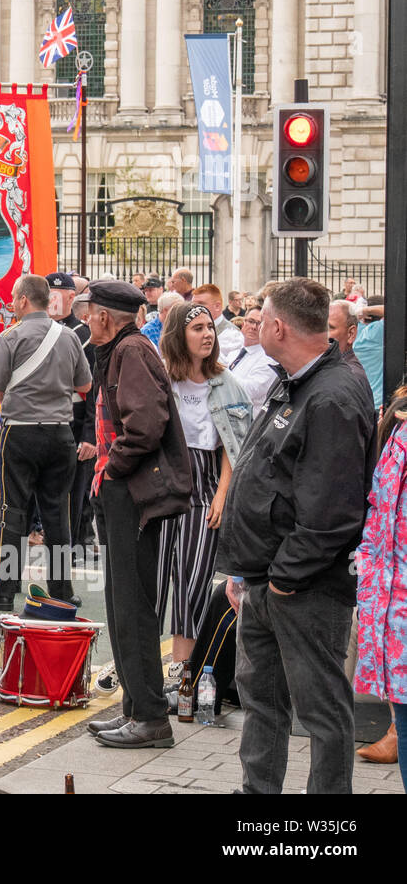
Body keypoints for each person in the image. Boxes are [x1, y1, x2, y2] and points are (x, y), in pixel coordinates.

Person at [218, 278, 376, 794]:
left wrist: (283, 580)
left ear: (278, 326)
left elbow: (332, 511)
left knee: (321, 711)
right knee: (261, 702)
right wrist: (246, 574)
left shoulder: (332, 394)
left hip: (304, 587)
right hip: (266, 582)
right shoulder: (298, 380)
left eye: (260, 318)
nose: (254, 325)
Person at [82, 280, 190, 749]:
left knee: (132, 607)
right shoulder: (124, 349)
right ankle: (134, 709)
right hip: (123, 490)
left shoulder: (131, 352)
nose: (86, 320)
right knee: (121, 604)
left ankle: (150, 718)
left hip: (132, 492)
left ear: (105, 316)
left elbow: (145, 426)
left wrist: (111, 470)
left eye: (90, 313)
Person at [0, 275, 91, 610]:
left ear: (23, 300)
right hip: (60, 432)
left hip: (20, 432)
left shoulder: (11, 336)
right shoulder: (68, 337)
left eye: (13, 297)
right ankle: (62, 591)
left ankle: (3, 590)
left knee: (13, 512)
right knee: (58, 513)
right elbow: (85, 384)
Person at [157, 301, 252, 684]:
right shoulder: (163, 378)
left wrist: (222, 494)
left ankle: (181, 677)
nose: (207, 334)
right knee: (153, 582)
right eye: (197, 328)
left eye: (209, 327)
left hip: (205, 486)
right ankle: (145, 677)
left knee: (193, 585)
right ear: (179, 335)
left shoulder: (227, 381)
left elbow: (234, 447)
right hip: (163, 485)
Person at [353, 386, 406, 776]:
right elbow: (378, 508)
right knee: (404, 722)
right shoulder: (398, 432)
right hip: (393, 612)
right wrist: (368, 583)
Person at [50, 273, 99, 552]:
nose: (54, 301)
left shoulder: (83, 336)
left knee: (71, 496)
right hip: (35, 424)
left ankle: (66, 560)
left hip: (73, 421)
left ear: (71, 298)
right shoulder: (31, 328)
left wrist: (91, 434)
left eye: (60, 295)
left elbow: (93, 389)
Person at [227, 304, 279, 416]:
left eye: (259, 323)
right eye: (250, 321)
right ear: (243, 323)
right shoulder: (233, 354)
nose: (254, 327)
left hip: (248, 422)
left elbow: (250, 391)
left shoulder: (269, 359)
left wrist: (222, 373)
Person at [328, 298, 372, 399]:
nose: (319, 334)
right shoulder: (332, 369)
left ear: (351, 333)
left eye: (329, 327)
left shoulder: (347, 378)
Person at [191, 283, 244, 360]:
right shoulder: (191, 329)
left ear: (217, 306)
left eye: (200, 304)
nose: (195, 309)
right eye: (193, 305)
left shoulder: (233, 335)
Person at [354, 296, 385, 409]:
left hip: (358, 399)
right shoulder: (377, 331)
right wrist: (366, 310)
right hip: (377, 400)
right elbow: (395, 311)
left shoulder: (356, 330)